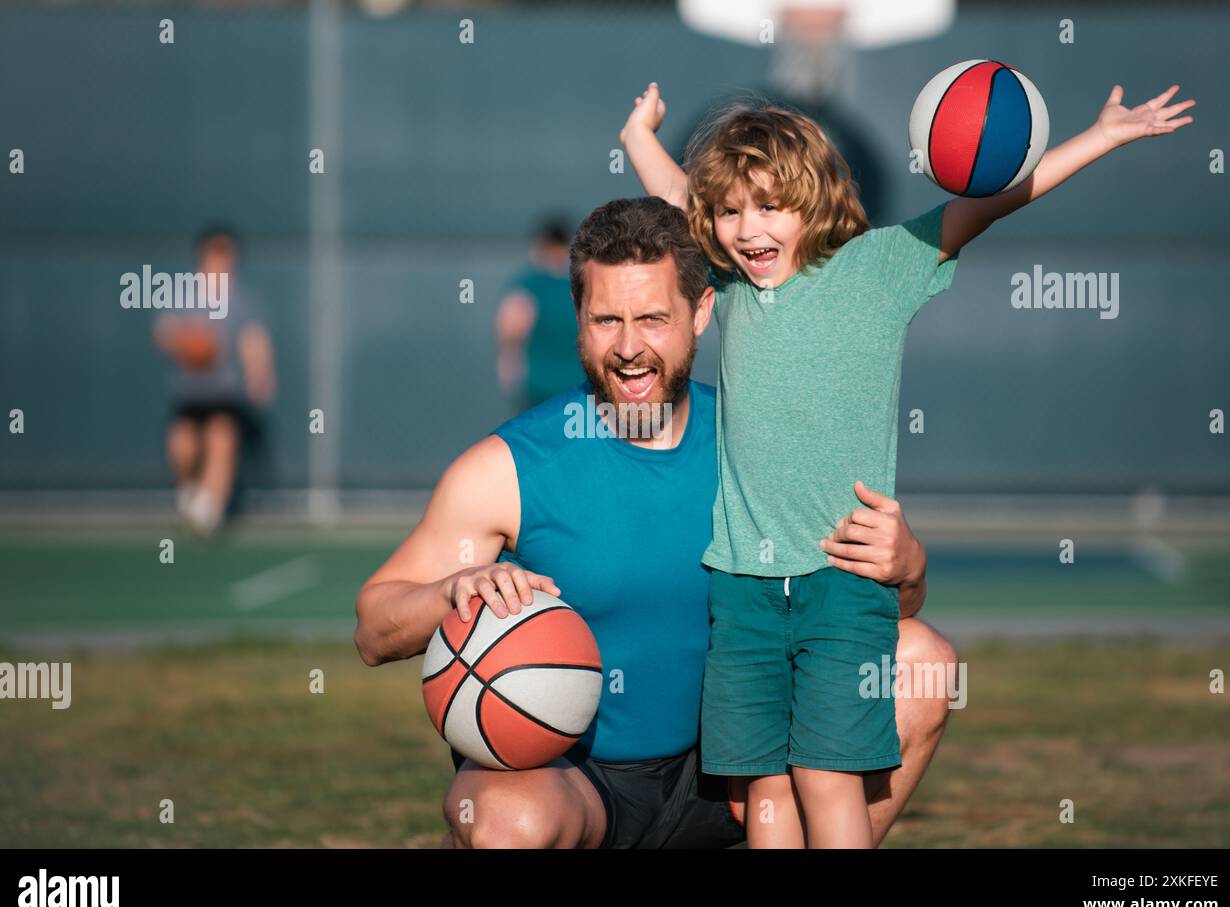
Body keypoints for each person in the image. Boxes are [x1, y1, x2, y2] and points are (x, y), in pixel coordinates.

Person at [619, 80, 1195, 846]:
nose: (746, 228)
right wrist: (637, 132)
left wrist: (1104, 134)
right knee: (760, 794)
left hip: (841, 583)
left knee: (827, 775)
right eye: (730, 212)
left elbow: (990, 203)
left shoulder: (881, 266)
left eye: (768, 207)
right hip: (743, 587)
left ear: (815, 202)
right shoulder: (730, 283)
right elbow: (676, 189)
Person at [355, 197, 956, 848]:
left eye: (652, 318)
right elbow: (373, 628)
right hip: (576, 781)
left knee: (924, 663)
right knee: (503, 819)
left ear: (701, 313)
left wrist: (908, 566)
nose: (629, 347)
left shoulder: (758, 436)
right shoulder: (508, 467)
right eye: (605, 320)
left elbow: (875, 611)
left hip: (737, 765)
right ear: (579, 322)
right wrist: (454, 588)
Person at [153, 226, 276, 535]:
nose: (221, 261)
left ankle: (208, 512)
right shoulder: (183, 295)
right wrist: (188, 341)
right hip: (191, 393)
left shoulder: (241, 300)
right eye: (215, 254)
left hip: (224, 393)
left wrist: (259, 373)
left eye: (227, 255)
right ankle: (188, 494)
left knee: (221, 439)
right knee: (182, 446)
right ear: (202, 256)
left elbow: (253, 339)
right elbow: (163, 332)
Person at [495, 218, 585, 408]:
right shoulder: (583, 285)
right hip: (580, 390)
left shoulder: (530, 285)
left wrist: (508, 364)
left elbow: (510, 331)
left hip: (540, 390)